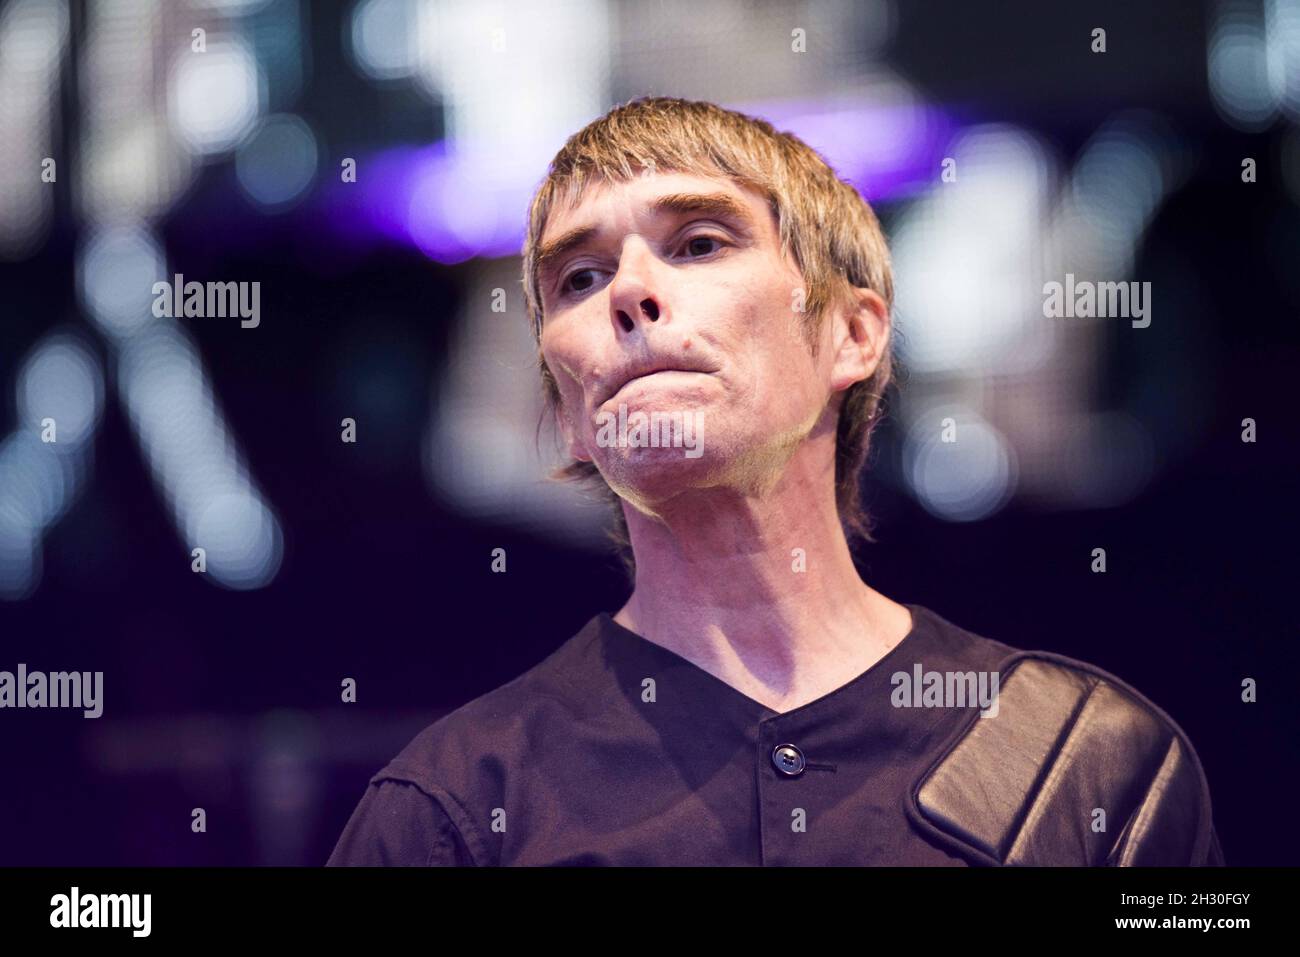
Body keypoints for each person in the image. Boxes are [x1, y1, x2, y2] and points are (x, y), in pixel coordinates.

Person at [327, 97, 1223, 866]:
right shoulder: (449, 812)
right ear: (565, 412)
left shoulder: (1098, 772)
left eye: (698, 243)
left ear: (853, 334)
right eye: (580, 276)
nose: (629, 293)